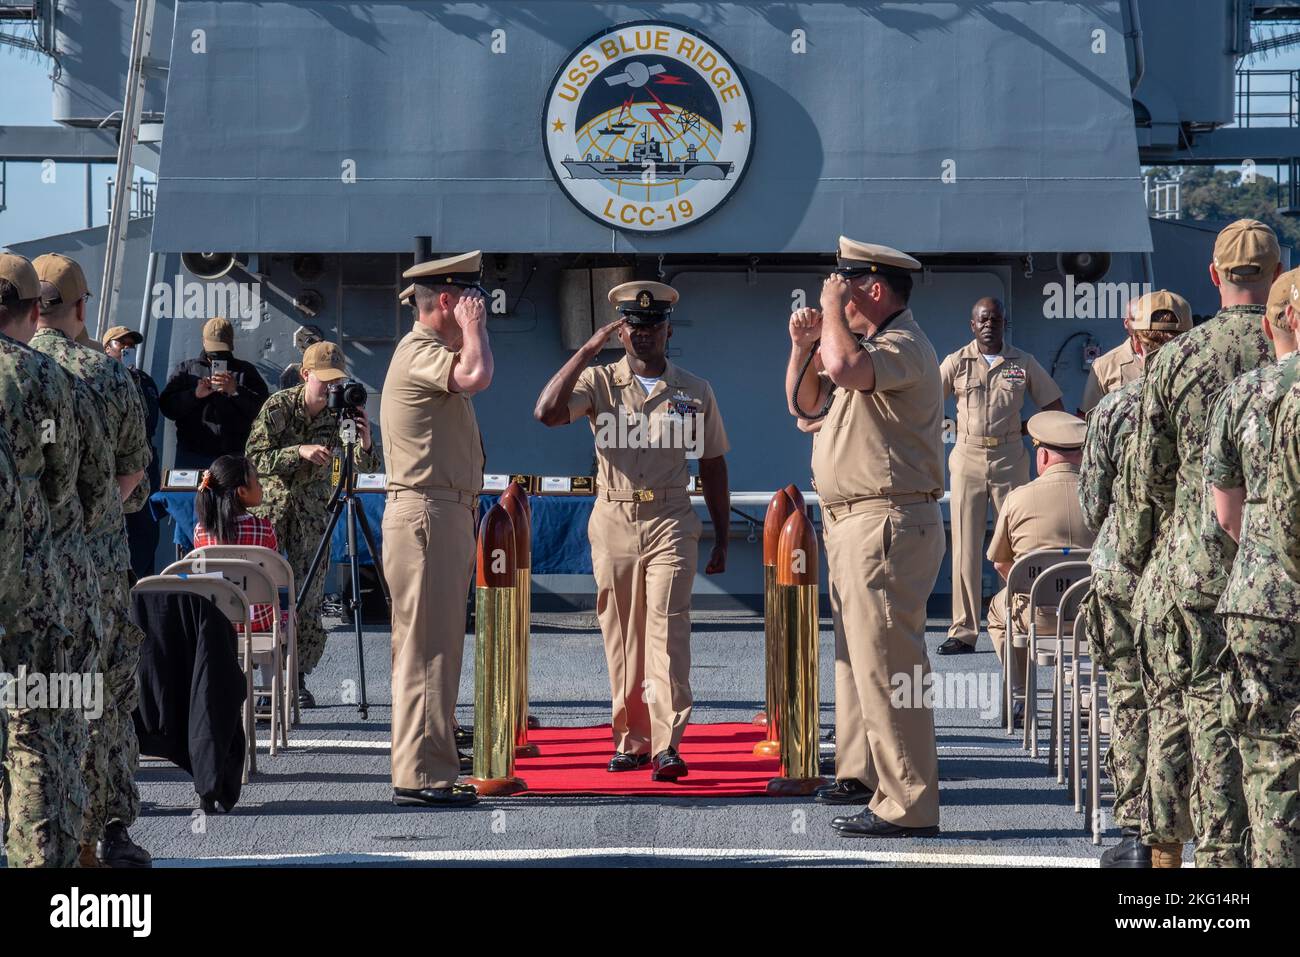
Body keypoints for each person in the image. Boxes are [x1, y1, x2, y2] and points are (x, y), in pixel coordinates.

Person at [1120, 218, 1281, 869]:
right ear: (1277, 276)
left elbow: (1145, 481)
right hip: (1276, 578)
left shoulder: (1179, 356)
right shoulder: (1287, 355)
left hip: (1190, 571)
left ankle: (1167, 867)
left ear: (1214, 277)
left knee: (1178, 721)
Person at [534, 280, 730, 779]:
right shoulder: (598, 383)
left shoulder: (695, 390)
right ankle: (631, 740)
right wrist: (584, 352)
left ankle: (668, 745)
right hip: (615, 517)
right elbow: (547, 413)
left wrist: (722, 536)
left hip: (670, 518)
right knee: (622, 634)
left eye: (653, 328)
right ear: (622, 332)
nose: (643, 337)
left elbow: (712, 465)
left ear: (668, 331)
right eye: (633, 328)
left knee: (668, 629)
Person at [785, 237, 944, 837]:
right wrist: (803, 345)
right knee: (857, 662)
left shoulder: (902, 345)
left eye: (845, 286)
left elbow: (847, 369)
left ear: (873, 289)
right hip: (856, 520)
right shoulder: (871, 346)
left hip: (886, 521)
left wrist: (827, 312)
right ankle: (860, 772)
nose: (837, 296)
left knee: (889, 665)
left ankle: (908, 804)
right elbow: (804, 401)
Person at [32, 253, 152, 868]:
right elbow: (134, 469)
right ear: (81, 308)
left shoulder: (17, 369)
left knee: (32, 699)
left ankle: (34, 835)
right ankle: (109, 831)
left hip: (26, 569)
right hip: (97, 568)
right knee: (105, 696)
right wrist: (95, 514)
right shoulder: (108, 376)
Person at [1078, 290, 1192, 868]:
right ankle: (1195, 828)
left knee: (1130, 701)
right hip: (1189, 578)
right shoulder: (1212, 402)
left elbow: (1092, 505)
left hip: (1123, 572)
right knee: (1190, 706)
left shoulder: (1115, 409)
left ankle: (1135, 836)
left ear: (1136, 340)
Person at [381, 251, 492, 808]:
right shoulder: (424, 351)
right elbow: (476, 375)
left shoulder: (426, 351)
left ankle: (426, 757)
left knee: (429, 644)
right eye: (470, 298)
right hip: (428, 514)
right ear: (446, 301)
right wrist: (473, 330)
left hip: (435, 511)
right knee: (429, 648)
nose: (480, 306)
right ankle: (422, 774)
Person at [1205, 268, 1300, 868]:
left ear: (1273, 324)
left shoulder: (1245, 394)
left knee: (1270, 763)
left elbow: (1228, 516)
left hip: (1263, 598)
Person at [245, 341, 381, 706]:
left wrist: (365, 443)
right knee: (268, 595)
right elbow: (253, 457)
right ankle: (268, 680)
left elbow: (368, 467)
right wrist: (298, 451)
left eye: (337, 380)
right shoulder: (279, 407)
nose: (331, 388)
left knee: (308, 596)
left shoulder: (342, 413)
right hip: (272, 513)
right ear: (306, 375)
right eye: (324, 381)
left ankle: (298, 678)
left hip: (312, 515)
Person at [0, 253, 80, 867]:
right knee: (32, 732)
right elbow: (63, 483)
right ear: (33, 311)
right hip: (28, 590)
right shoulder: (45, 379)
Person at [937, 297, 1063, 656]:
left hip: (1011, 457)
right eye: (982, 319)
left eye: (995, 318)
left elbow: (1053, 405)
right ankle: (963, 631)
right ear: (972, 325)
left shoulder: (1022, 363)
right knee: (965, 545)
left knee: (1022, 542)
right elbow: (925, 401)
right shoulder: (956, 363)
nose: (989, 323)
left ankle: (1027, 619)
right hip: (968, 458)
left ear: (1004, 323)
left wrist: (1025, 429)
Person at [986, 411, 1095, 707]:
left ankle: (1020, 694)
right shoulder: (1104, 499)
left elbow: (1001, 563)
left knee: (999, 613)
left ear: (1043, 456)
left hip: (1038, 617)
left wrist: (1036, 589)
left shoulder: (1018, 499)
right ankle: (1089, 695)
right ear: (1083, 456)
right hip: (1092, 616)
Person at [159, 316, 270, 469]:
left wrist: (235, 391)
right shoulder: (187, 370)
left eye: (221, 349)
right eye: (213, 349)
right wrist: (195, 395)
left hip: (234, 455)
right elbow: (167, 407)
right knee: (191, 493)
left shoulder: (245, 371)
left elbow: (264, 411)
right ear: (204, 342)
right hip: (193, 455)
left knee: (235, 493)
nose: (217, 354)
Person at [193, 455, 280, 634]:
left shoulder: (200, 531)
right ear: (242, 491)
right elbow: (274, 578)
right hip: (257, 623)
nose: (262, 486)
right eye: (257, 481)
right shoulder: (263, 529)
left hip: (216, 622)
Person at [103, 325, 162, 579]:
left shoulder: (144, 380)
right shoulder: (101, 377)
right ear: (108, 349)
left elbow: (151, 421)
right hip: (117, 468)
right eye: (121, 344)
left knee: (146, 532)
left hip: (145, 466)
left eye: (131, 345)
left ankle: (143, 586)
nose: (127, 349)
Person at [1079, 298, 1142, 415]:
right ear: (1126, 323)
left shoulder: (1175, 359)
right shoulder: (1104, 366)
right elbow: (1088, 417)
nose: (1144, 325)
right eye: (1137, 319)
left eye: (1148, 319)